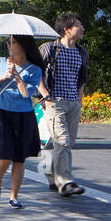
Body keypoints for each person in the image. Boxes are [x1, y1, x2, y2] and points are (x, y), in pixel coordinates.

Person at [0, 35, 45, 209]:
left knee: (19, 158)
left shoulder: (34, 70)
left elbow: (26, 94)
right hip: (2, 113)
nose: (8, 45)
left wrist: (16, 75)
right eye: (8, 42)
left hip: (24, 116)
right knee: (4, 155)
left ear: (23, 46)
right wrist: (2, 77)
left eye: (13, 42)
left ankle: (14, 196)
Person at [37, 13, 89, 197]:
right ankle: (65, 182)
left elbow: (82, 79)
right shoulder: (49, 48)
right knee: (63, 141)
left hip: (73, 102)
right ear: (66, 29)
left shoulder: (81, 52)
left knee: (67, 143)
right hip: (54, 102)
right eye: (78, 25)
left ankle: (52, 177)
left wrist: (79, 102)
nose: (82, 28)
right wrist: (46, 96)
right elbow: (36, 73)